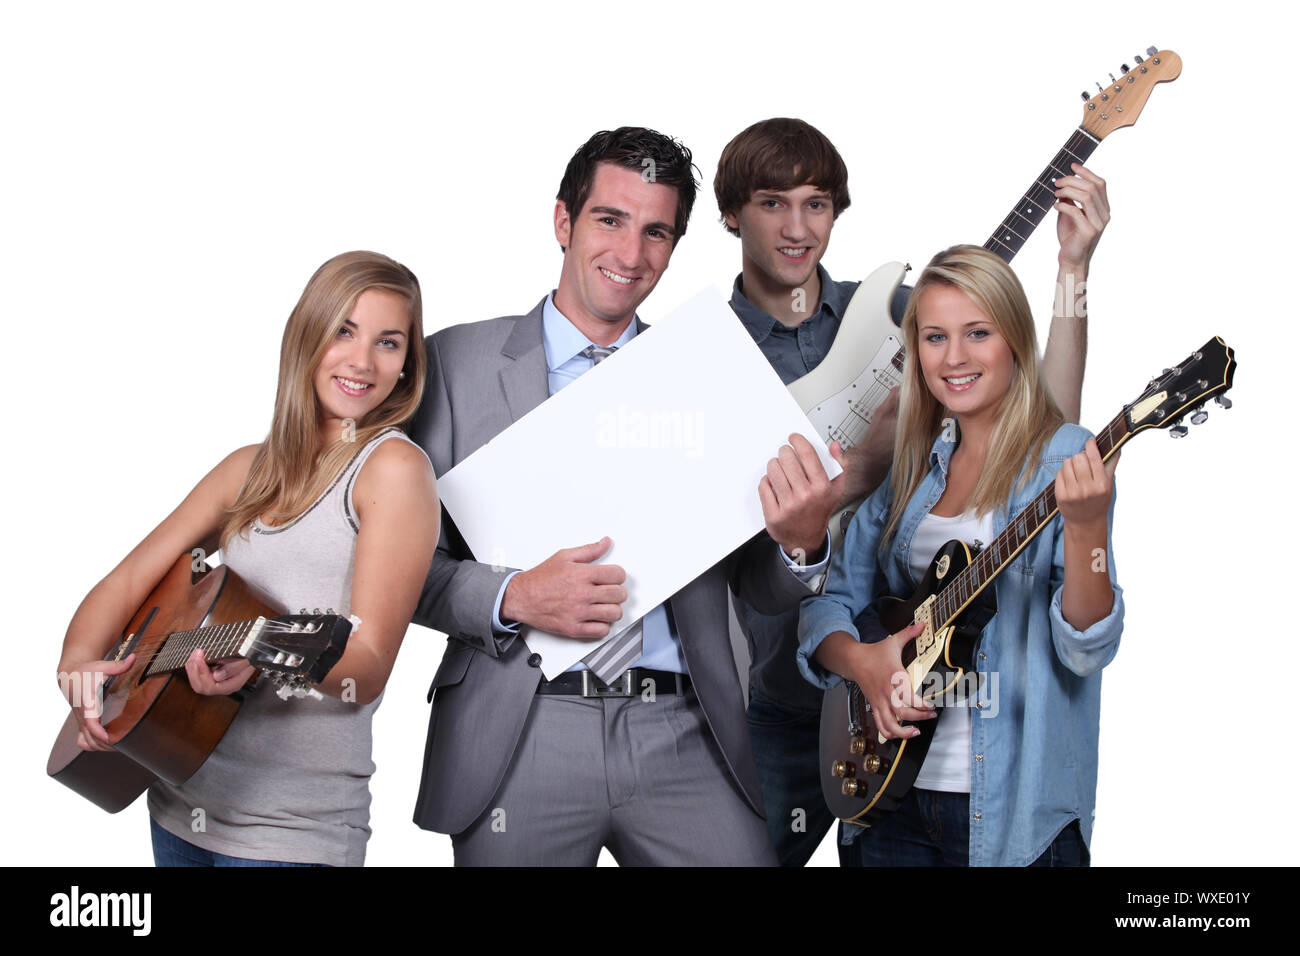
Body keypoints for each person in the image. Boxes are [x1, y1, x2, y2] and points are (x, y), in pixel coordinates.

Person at [408, 127, 842, 866]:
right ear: (563, 222)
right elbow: (405, 573)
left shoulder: (710, 374)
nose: (631, 254)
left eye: (657, 232)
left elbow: (757, 589)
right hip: (524, 725)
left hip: (684, 728)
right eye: (610, 220)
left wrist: (801, 543)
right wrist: (513, 596)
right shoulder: (452, 363)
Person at [712, 117, 1111, 865]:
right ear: (732, 211)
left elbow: (1046, 435)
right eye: (772, 203)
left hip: (989, 783)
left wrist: (1073, 273)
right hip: (785, 686)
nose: (798, 226)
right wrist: (860, 658)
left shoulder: (883, 312)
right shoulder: (706, 358)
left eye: (817, 202)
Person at [56, 251, 440, 866]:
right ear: (306, 334)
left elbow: (364, 669)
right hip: (179, 803)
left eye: (389, 342)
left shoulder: (392, 471)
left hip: (289, 835)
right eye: (343, 329)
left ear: (406, 366)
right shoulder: (247, 469)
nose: (362, 361)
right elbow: (126, 581)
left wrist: (258, 651)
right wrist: (78, 670)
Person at [797, 244, 1123, 866]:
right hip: (889, 801)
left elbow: (1086, 648)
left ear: (1017, 343)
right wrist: (865, 664)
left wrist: (1086, 531)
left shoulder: (1063, 459)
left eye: (978, 333)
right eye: (935, 336)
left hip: (1012, 815)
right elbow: (828, 605)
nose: (954, 358)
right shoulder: (912, 474)